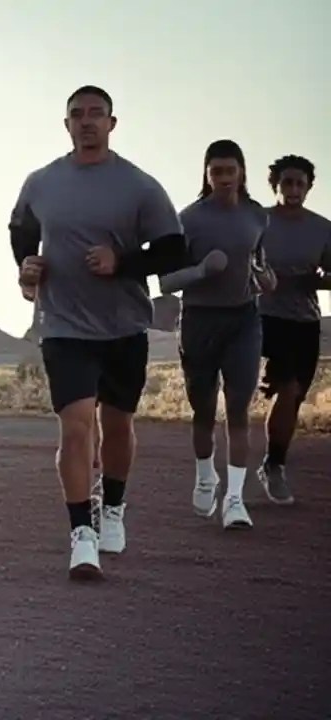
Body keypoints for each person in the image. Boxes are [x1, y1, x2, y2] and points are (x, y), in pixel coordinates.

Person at [10, 86, 187, 581]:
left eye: (96, 115)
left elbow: (174, 250)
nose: (86, 122)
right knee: (76, 426)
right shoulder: (42, 182)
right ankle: (81, 534)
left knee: (117, 425)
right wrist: (27, 267)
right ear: (65, 124)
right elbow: (21, 230)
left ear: (112, 123)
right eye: (77, 115)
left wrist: (123, 261)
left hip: (124, 324)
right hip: (63, 325)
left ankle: (113, 508)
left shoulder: (139, 186)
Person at [161, 140, 274, 530]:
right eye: (216, 173)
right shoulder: (188, 219)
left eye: (230, 171)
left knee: (240, 408)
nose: (224, 179)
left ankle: (236, 500)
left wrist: (264, 278)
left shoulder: (259, 217)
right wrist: (201, 271)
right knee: (204, 410)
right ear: (206, 176)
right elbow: (166, 280)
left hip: (244, 319)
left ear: (242, 172)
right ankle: (205, 473)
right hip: (199, 321)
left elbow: (259, 264)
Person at [257, 154, 330, 505]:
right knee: (286, 389)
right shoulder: (260, 221)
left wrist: (317, 279)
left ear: (309, 187)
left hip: (305, 320)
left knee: (296, 393)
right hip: (265, 317)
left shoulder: (322, 228)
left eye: (300, 183)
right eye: (287, 182)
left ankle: (273, 458)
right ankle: (274, 466)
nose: (294, 189)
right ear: (276, 185)